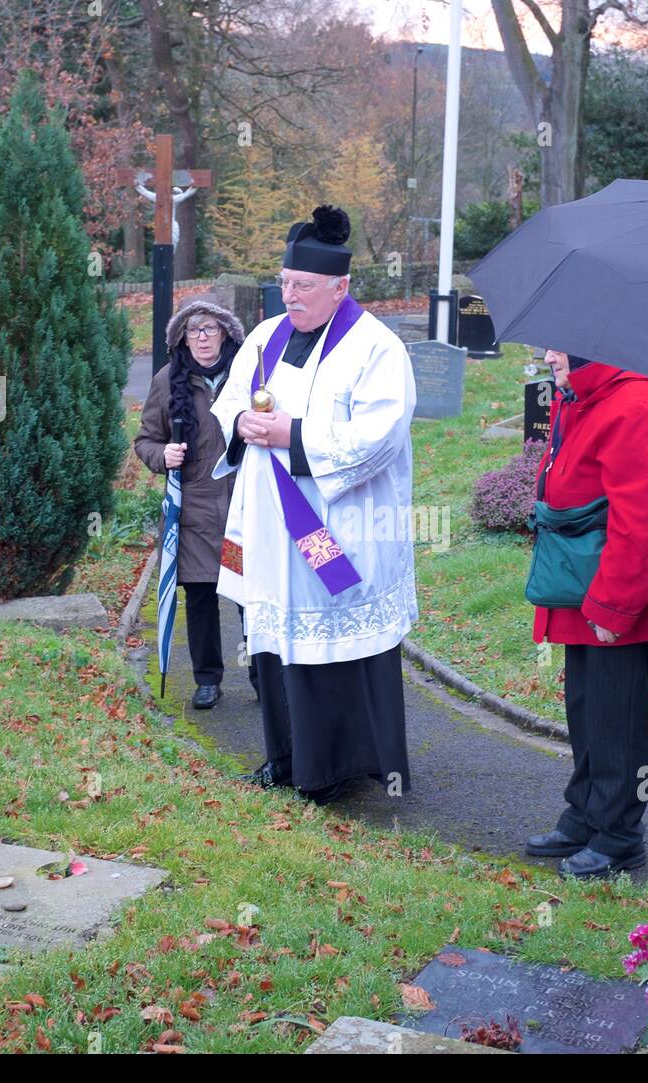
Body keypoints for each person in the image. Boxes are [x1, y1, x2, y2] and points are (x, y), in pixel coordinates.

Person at [210, 204, 418, 805]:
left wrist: (290, 436)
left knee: (334, 646)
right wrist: (244, 420)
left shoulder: (376, 347)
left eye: (302, 286)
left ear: (339, 287)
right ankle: (287, 759)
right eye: (283, 283)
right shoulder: (264, 336)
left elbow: (380, 436)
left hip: (339, 531)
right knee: (276, 646)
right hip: (274, 533)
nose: (289, 295)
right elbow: (228, 407)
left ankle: (337, 768)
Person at [525, 350, 648, 879]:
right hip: (588, 578)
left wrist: (614, 605)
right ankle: (585, 814)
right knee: (587, 705)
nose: (550, 355)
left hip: (622, 587)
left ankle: (619, 837)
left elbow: (643, 518)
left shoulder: (639, 405)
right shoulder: (586, 395)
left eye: (560, 344)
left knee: (617, 715)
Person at [133, 293, 253, 710]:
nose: (202, 337)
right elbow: (146, 439)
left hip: (245, 502)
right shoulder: (168, 379)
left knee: (249, 594)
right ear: (183, 337)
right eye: (193, 329)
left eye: (210, 328)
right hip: (196, 506)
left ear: (226, 332)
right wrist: (161, 455)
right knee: (201, 596)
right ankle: (207, 679)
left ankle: (262, 676)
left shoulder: (249, 373)